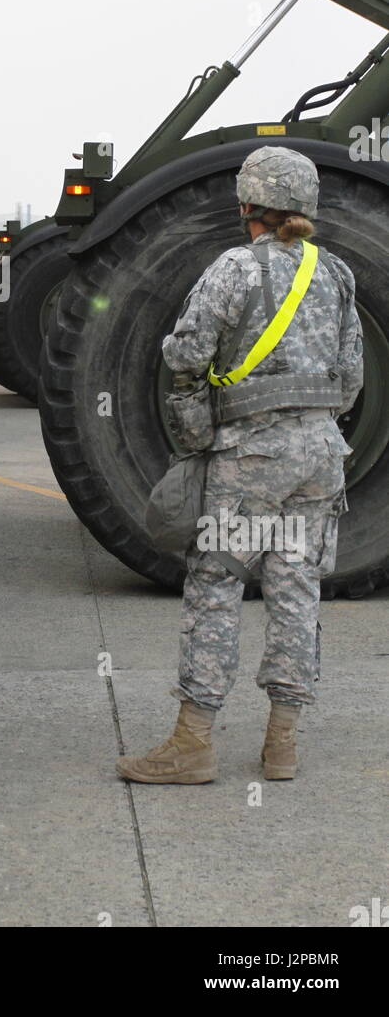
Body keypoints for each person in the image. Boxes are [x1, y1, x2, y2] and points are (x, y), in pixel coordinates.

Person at [117, 146, 363, 785]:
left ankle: (192, 745)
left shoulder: (235, 267)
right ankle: (282, 746)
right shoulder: (335, 273)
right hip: (321, 458)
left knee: (216, 584)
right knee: (296, 586)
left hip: (249, 459)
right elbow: (352, 378)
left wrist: (198, 424)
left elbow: (186, 353)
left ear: (248, 203)